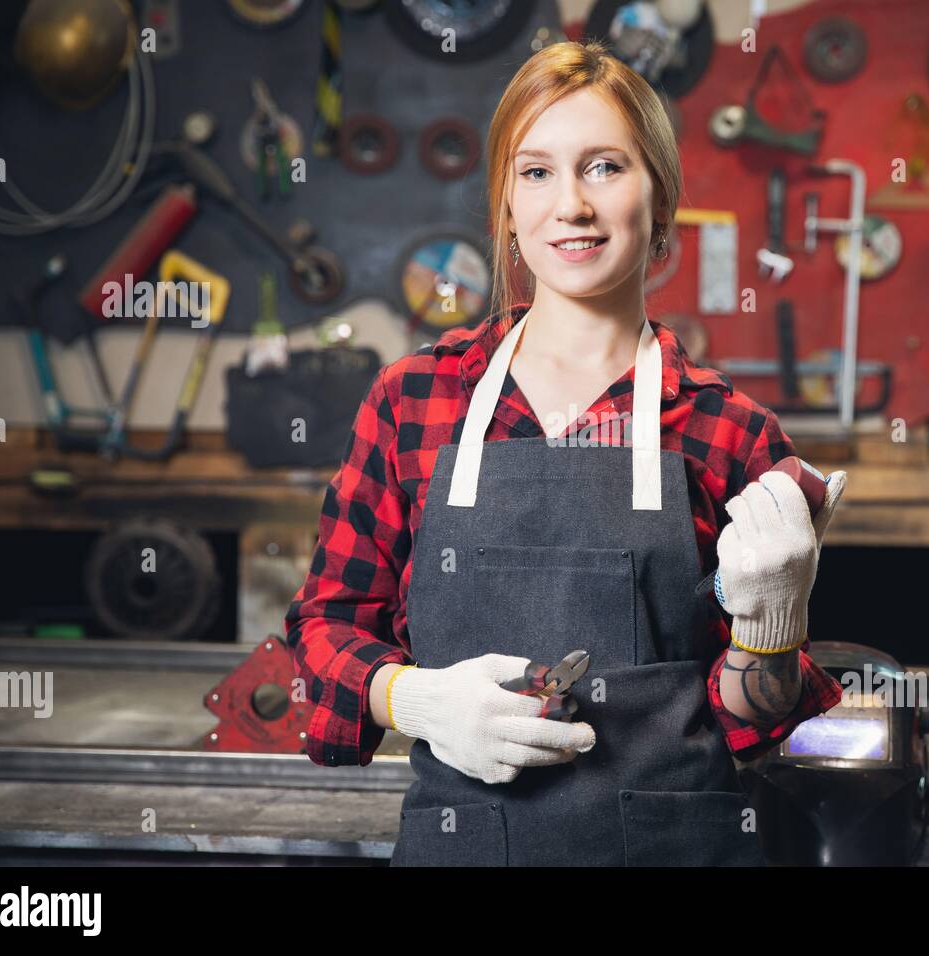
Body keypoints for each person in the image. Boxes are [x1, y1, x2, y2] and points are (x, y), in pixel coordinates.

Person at [285, 40, 848, 867]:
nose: (571, 206)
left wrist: (770, 630)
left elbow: (756, 727)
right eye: (537, 172)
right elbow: (324, 626)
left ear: (660, 199)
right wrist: (416, 698)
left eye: (606, 167)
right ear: (507, 205)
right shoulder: (414, 401)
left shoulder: (729, 431)